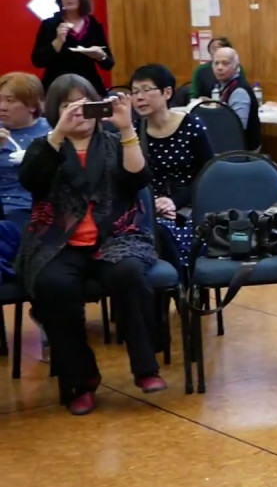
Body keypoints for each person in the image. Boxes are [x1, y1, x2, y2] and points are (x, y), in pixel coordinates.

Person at [17, 74, 166, 415]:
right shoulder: (47, 146)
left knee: (129, 273)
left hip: (117, 236)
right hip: (58, 242)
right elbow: (32, 180)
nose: (80, 113)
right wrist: (57, 134)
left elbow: (138, 179)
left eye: (86, 104)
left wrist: (128, 129)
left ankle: (146, 368)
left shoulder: (114, 141)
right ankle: (81, 380)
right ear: (56, 110)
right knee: (52, 284)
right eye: (70, 106)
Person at [130, 64, 214, 259]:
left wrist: (174, 202)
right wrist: (153, 204)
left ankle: (184, 284)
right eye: (134, 92)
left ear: (167, 93)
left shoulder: (191, 126)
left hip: (190, 206)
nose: (139, 97)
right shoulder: (132, 132)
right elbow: (132, 180)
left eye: (146, 90)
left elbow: (207, 175)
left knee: (170, 234)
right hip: (150, 210)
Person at [29, 0, 114, 96]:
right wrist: (57, 42)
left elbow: (109, 64)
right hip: (57, 87)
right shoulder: (49, 25)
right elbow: (37, 61)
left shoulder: (94, 25)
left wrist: (100, 56)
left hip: (89, 86)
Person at [0, 72, 52, 230]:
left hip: (31, 208)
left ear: (32, 105)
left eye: (10, 101)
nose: (2, 107)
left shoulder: (52, 131)